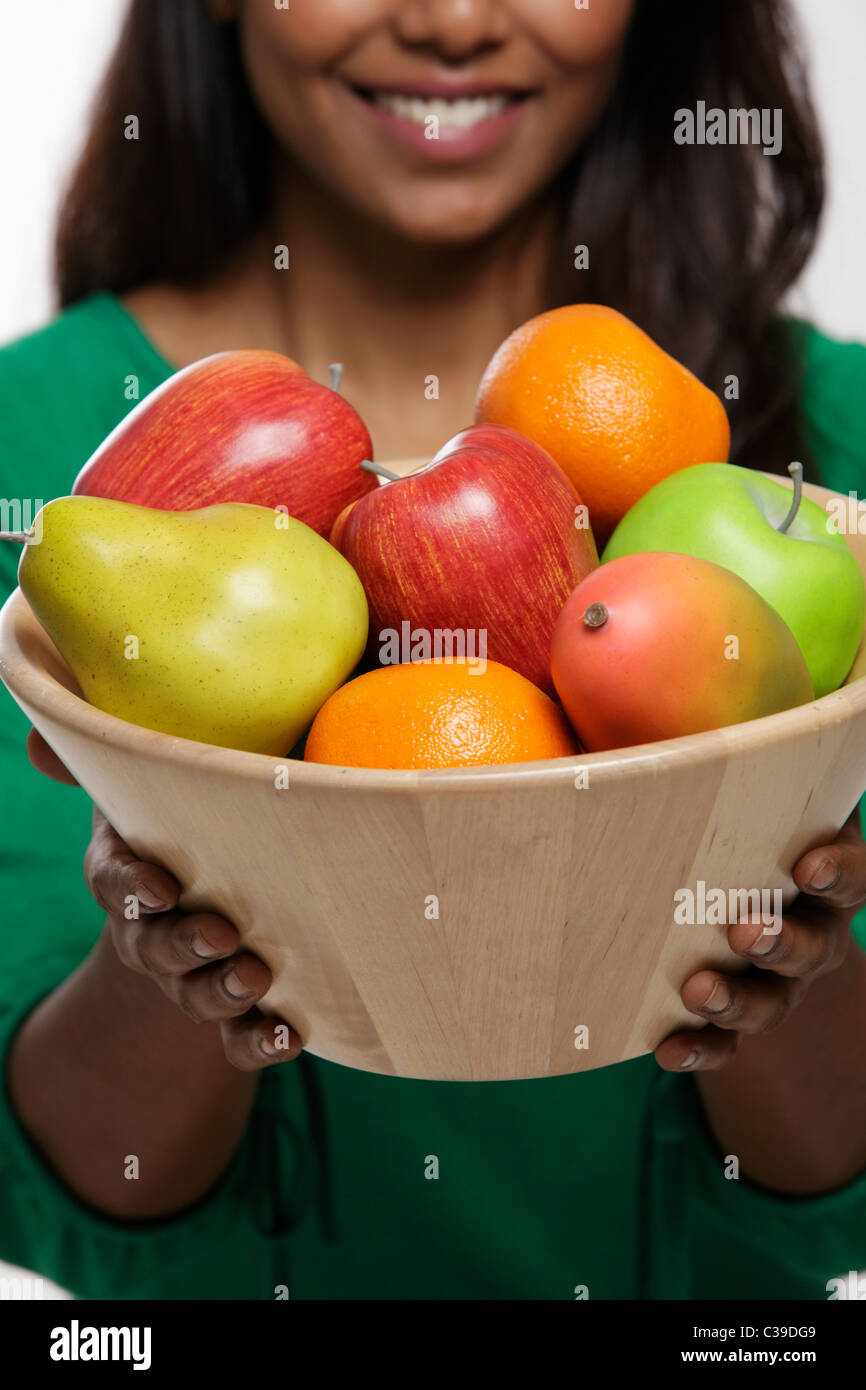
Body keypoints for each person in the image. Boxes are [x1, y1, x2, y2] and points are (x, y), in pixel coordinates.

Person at [1, 0, 865, 1301]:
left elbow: (835, 1189)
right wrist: (166, 952)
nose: (452, 20)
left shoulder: (823, 453)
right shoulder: (47, 462)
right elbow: (87, 1193)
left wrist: (773, 943)